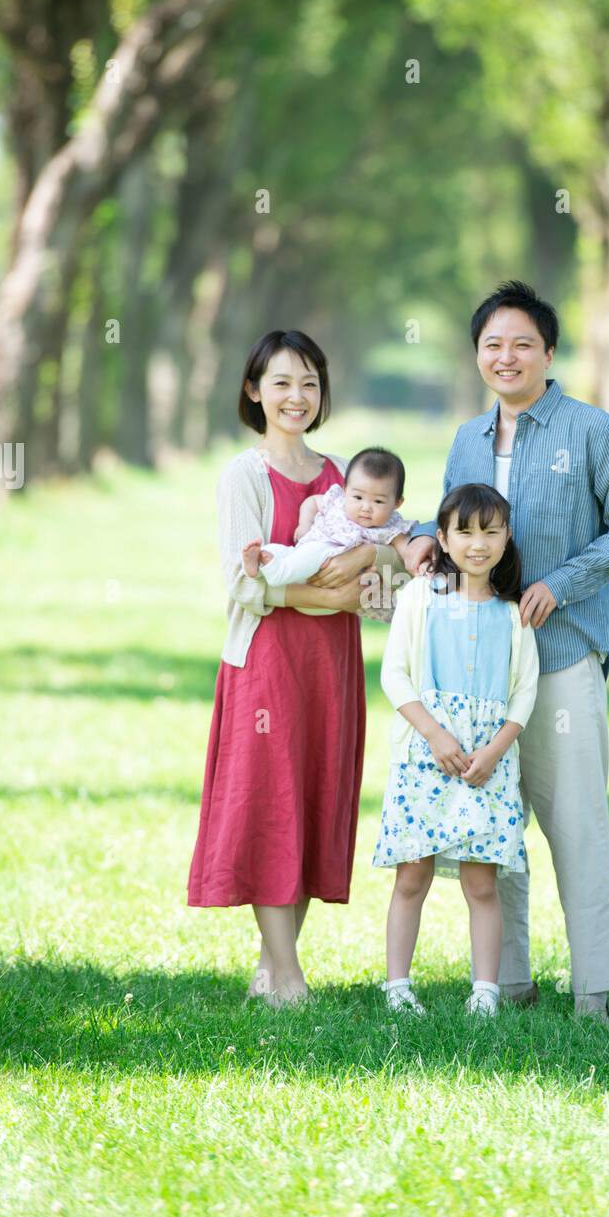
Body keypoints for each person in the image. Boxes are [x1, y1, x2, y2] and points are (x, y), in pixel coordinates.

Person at [404, 281, 609, 1025]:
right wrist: (417, 529)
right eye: (491, 344)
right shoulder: (465, 439)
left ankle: (595, 993)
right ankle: (506, 982)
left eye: (521, 344)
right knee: (489, 826)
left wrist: (564, 582)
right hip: (477, 667)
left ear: (548, 352)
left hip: (561, 654)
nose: (505, 356)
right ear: (476, 354)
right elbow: (457, 518)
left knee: (575, 821)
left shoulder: (591, 431)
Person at [186, 329, 410, 1007]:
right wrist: (323, 594)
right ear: (253, 391)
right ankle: (286, 976)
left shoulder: (345, 473)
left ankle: (273, 965)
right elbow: (241, 583)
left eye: (309, 382)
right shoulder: (243, 476)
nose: (296, 396)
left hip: (331, 665)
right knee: (268, 802)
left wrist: (371, 565)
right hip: (266, 665)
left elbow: (394, 553)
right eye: (281, 382)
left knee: (312, 799)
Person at [373, 484, 540, 1017]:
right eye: (464, 532)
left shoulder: (514, 611)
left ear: (507, 537)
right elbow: (394, 675)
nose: (477, 543)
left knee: (481, 880)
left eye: (490, 531)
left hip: (488, 765)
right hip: (426, 756)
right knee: (413, 874)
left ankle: (485, 994)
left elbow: (525, 693)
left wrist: (493, 751)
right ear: (441, 538)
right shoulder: (421, 597)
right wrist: (435, 735)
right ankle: (398, 988)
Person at [243, 447, 415, 594]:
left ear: (397, 503)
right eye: (358, 497)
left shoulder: (391, 527)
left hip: (332, 559)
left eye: (378, 501)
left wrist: (418, 562)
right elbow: (312, 502)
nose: (366, 507)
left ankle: (276, 573)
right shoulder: (337, 500)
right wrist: (305, 524)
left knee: (306, 557)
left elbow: (406, 549)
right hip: (315, 548)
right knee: (284, 553)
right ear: (345, 489)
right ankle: (258, 564)